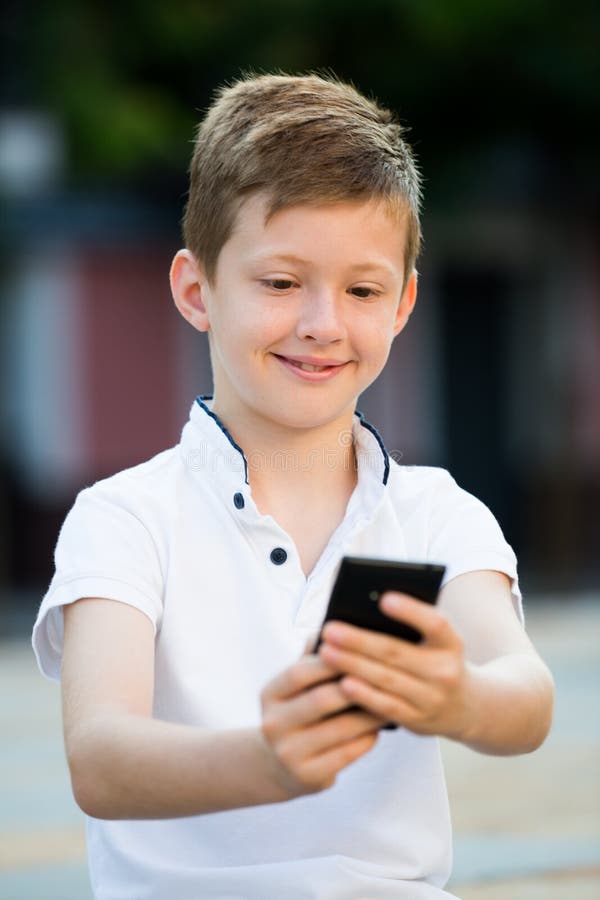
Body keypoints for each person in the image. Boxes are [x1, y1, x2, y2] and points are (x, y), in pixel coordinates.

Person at [32, 72, 554, 900]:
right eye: (280, 283)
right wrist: (266, 760)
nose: (322, 323)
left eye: (362, 290)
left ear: (403, 303)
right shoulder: (125, 516)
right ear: (197, 290)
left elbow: (525, 698)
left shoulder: (436, 514)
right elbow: (100, 759)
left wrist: (460, 699)